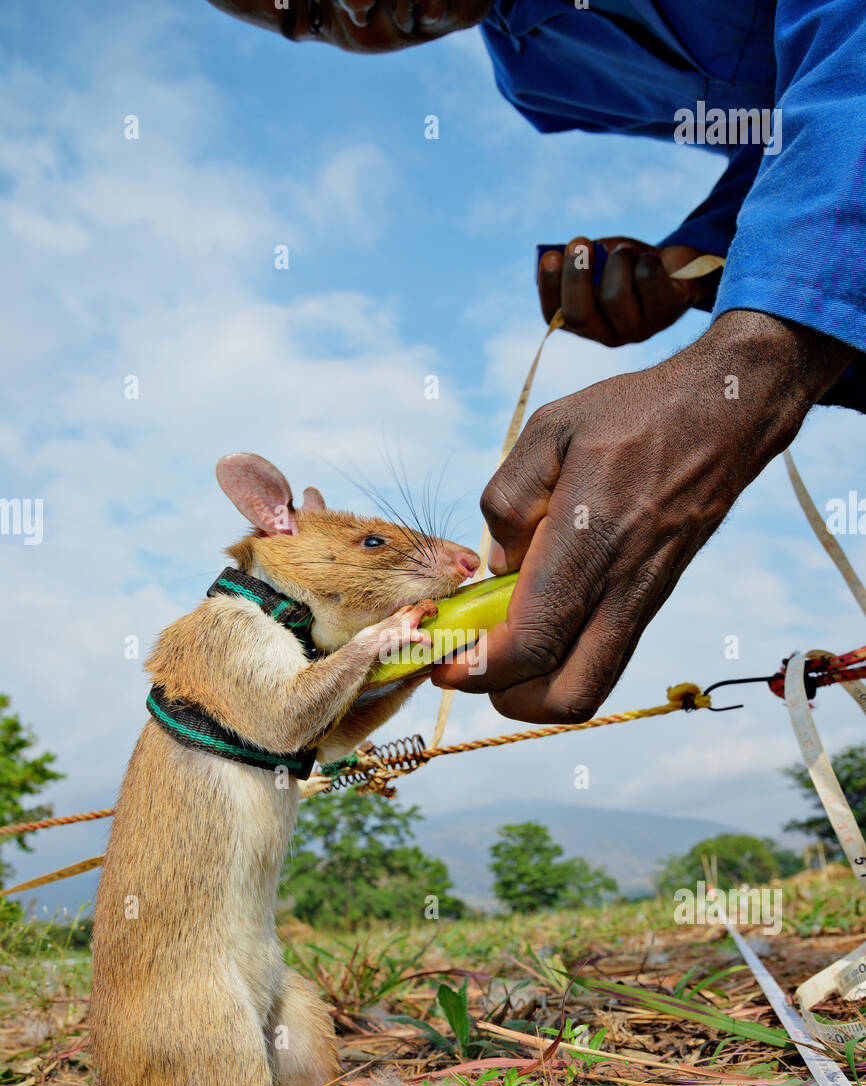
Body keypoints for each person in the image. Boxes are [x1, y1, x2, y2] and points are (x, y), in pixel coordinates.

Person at [206, 0, 864, 721]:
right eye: (313, 17)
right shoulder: (540, 77)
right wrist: (699, 258)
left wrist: (762, 346)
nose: (358, 6)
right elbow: (791, 121)